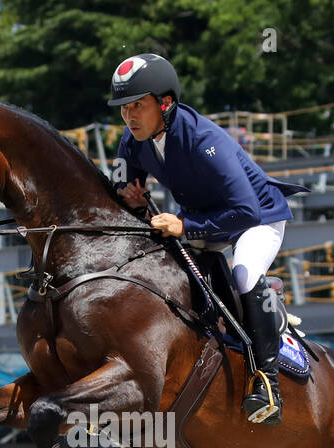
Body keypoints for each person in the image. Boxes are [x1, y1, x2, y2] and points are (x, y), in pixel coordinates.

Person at [108, 53, 308, 426]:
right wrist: (130, 196)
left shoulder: (203, 141)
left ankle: (267, 383)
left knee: (245, 275)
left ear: (165, 103)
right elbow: (123, 186)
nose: (129, 116)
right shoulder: (132, 139)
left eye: (138, 105)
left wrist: (183, 226)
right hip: (203, 219)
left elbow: (244, 211)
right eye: (124, 108)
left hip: (255, 218)